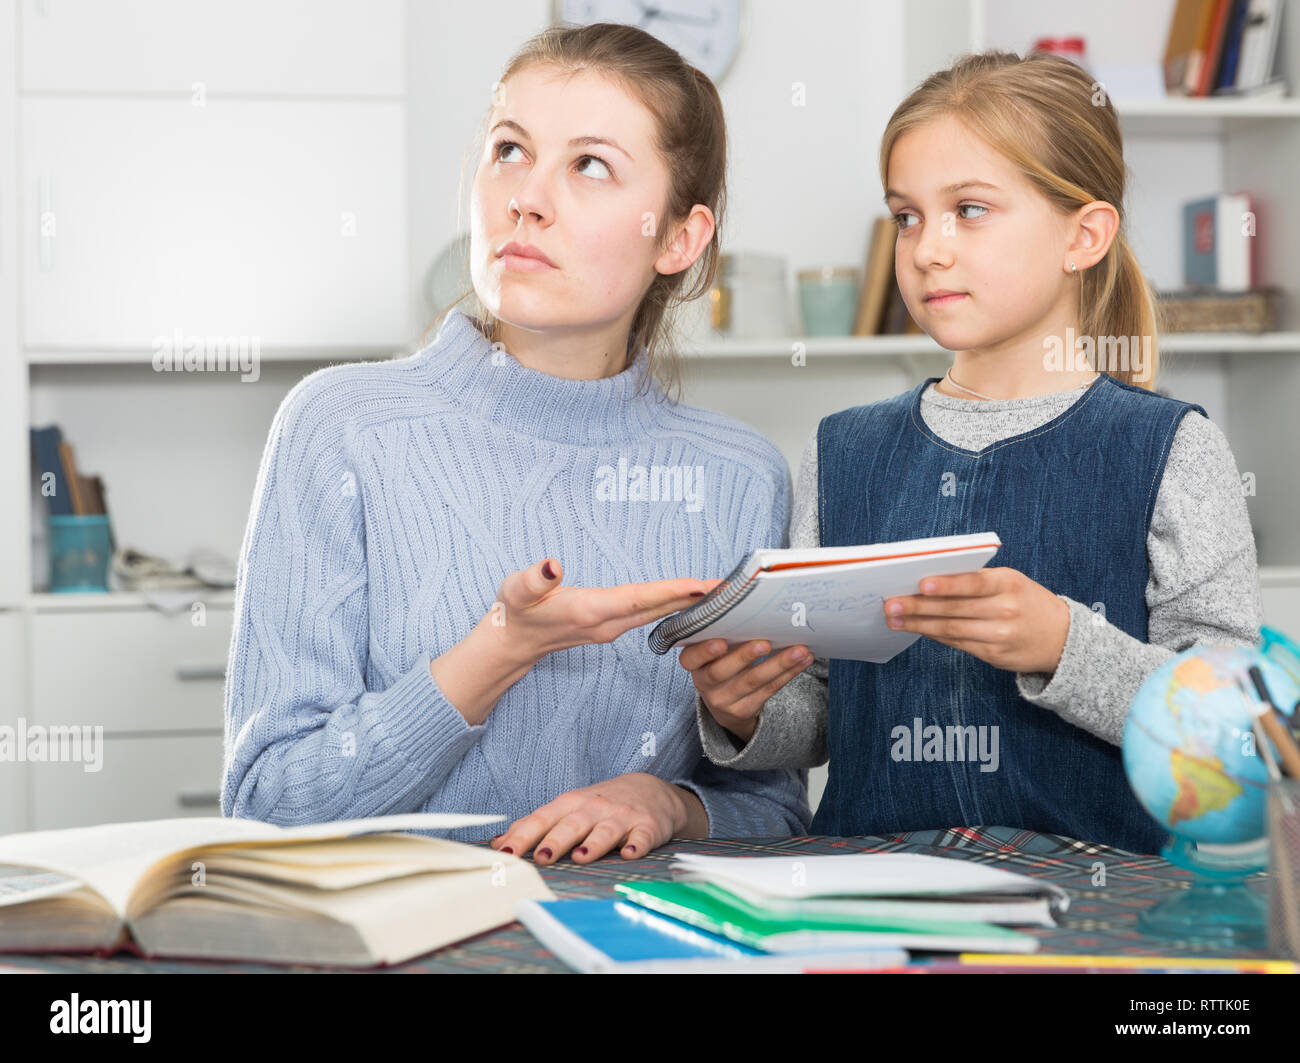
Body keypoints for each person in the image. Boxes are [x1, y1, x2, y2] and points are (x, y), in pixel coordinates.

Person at [221, 23, 810, 865]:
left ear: (679, 239)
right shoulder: (339, 426)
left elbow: (777, 811)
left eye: (590, 165)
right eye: (508, 150)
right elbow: (265, 807)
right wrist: (500, 647)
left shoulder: (741, 475)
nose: (525, 198)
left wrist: (669, 802)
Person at [682, 51, 1261, 854]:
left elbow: (1237, 732)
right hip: (865, 902)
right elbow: (817, 714)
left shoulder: (1171, 449)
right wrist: (741, 709)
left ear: (1084, 235)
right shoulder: (843, 449)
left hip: (1095, 912)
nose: (927, 250)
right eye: (908, 216)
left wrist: (1066, 644)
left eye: (971, 210)